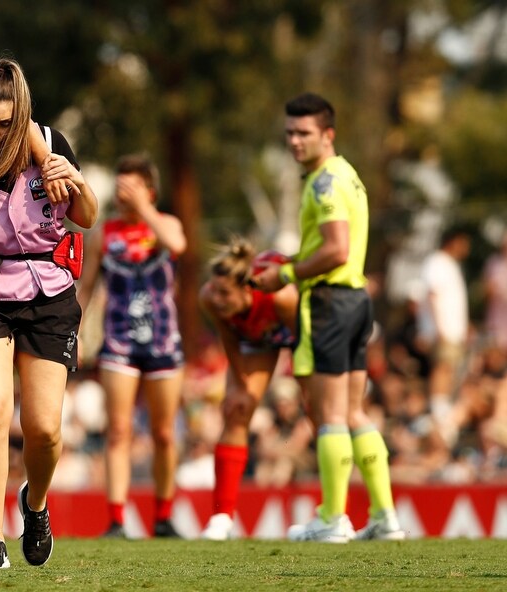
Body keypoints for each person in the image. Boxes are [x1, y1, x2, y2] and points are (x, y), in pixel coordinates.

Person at [0, 57, 98, 568]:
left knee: (45, 428)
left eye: (7, 123)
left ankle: (36, 503)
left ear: (22, 117)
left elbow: (87, 218)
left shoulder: (50, 144)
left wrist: (70, 175)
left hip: (48, 291)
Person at [252, 93, 403, 542]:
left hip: (331, 303)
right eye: (290, 133)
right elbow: (338, 249)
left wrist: (284, 272)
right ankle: (384, 516)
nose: (295, 141)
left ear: (328, 135)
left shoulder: (323, 182)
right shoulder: (348, 176)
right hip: (355, 300)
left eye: (304, 133)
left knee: (330, 414)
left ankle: (332, 519)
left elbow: (335, 249)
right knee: (355, 411)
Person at [201, 237, 403, 541]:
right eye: (214, 289)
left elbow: (305, 339)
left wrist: (304, 384)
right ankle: (222, 517)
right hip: (259, 340)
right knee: (237, 408)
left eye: (224, 292)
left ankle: (337, 514)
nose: (215, 298)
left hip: (302, 333)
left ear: (247, 289)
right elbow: (230, 340)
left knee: (322, 414)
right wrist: (241, 385)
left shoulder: (281, 298)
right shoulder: (209, 298)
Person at [76, 154, 186, 539]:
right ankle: (117, 518)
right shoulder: (105, 232)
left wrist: (145, 209)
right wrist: (73, 333)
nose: (124, 195)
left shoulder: (165, 224)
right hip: (118, 340)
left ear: (149, 191)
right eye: (120, 187)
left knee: (164, 433)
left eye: (132, 187)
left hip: (162, 340)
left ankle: (164, 514)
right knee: (119, 430)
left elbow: (177, 244)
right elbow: (86, 288)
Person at [417, 225, 471, 438]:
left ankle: (443, 408)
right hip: (442, 330)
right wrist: (439, 328)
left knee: (449, 369)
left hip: (452, 330)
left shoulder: (450, 265)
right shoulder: (437, 262)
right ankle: (438, 411)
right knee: (443, 368)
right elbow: (432, 294)